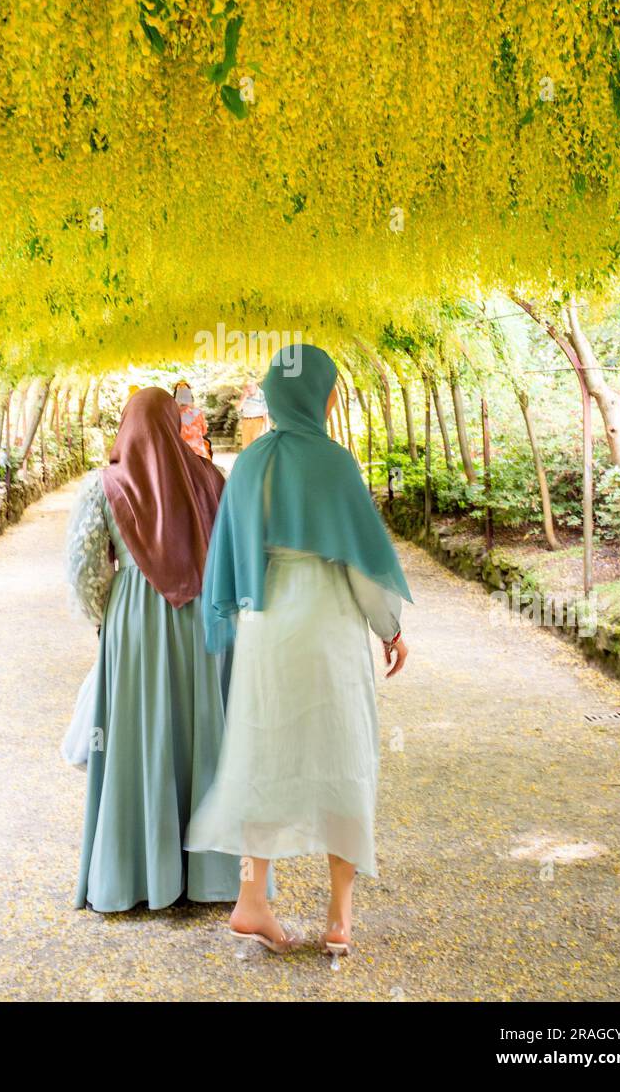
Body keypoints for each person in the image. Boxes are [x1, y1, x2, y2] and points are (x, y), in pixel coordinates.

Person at [186, 344, 413, 956]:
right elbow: (363, 564)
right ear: (321, 394)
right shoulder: (336, 465)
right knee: (344, 752)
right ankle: (339, 916)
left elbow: (229, 553)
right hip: (329, 624)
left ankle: (252, 899)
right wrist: (388, 628)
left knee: (266, 749)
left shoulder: (252, 464)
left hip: (266, 625)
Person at [63, 387, 241, 912]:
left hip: (136, 623)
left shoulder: (105, 486)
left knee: (139, 737)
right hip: (204, 622)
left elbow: (85, 572)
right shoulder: (211, 479)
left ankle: (138, 873)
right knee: (201, 735)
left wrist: (107, 620)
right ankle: (209, 873)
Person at [173, 380, 211, 459]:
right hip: (198, 453)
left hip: (179, 452)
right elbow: (204, 431)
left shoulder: (172, 413)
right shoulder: (198, 412)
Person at [236, 378, 269, 448]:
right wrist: (244, 396)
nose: (249, 389)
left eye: (251, 386)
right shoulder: (244, 394)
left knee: (257, 445)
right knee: (246, 447)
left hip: (258, 421)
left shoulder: (261, 394)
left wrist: (267, 429)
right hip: (246, 422)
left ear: (255, 386)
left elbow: (265, 412)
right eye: (247, 387)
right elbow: (238, 408)